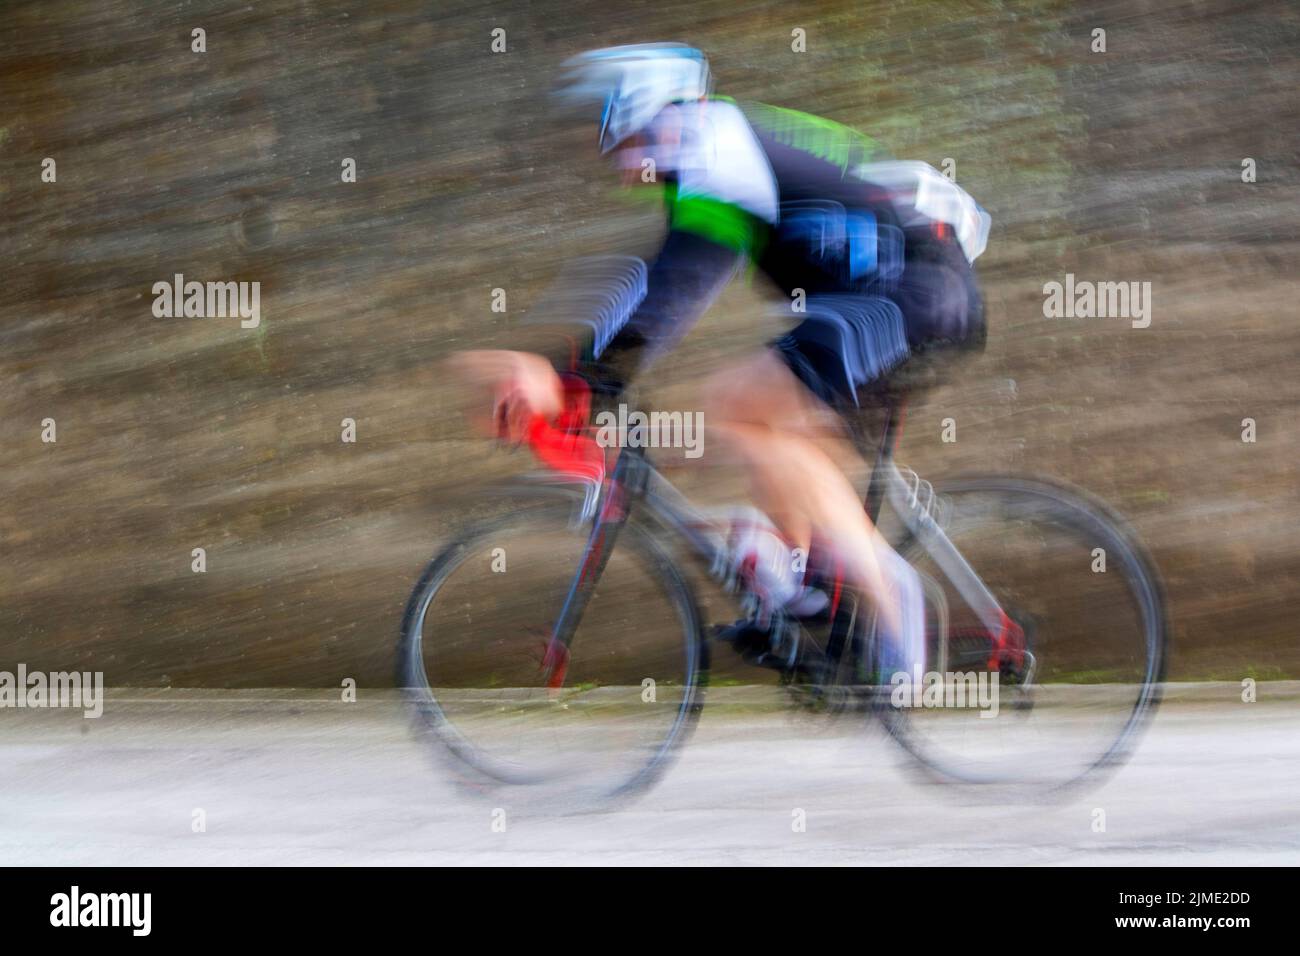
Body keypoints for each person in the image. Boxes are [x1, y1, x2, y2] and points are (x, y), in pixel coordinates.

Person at [451, 43, 990, 678]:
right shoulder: (713, 159)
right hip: (886, 295)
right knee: (749, 424)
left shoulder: (712, 139)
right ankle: (806, 583)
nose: (624, 169)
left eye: (620, 142)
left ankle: (894, 605)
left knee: (740, 404)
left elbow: (679, 287)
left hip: (917, 291)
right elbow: (648, 285)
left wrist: (576, 379)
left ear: (655, 115)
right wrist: (572, 370)